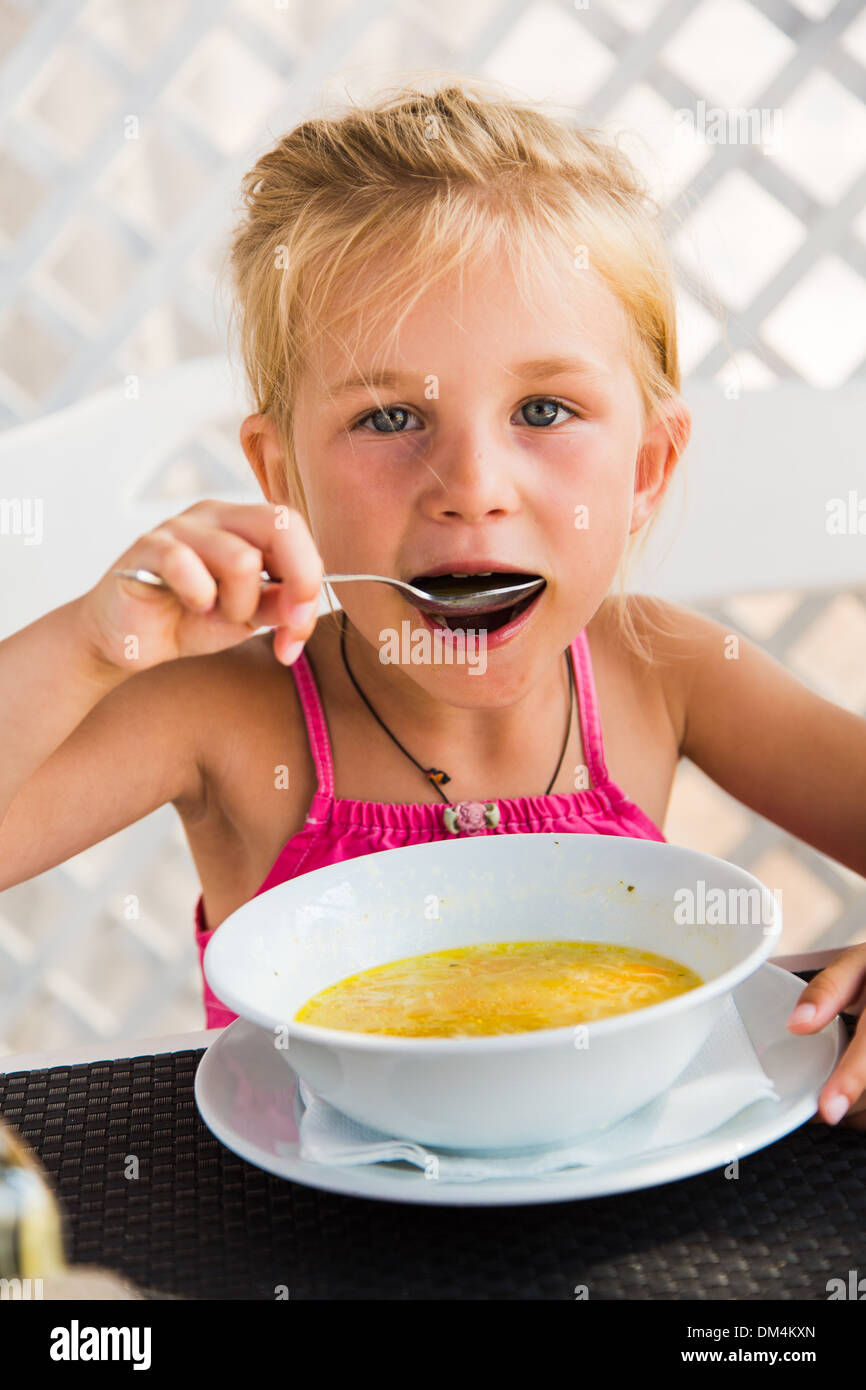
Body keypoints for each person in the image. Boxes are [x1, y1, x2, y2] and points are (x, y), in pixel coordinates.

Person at [1, 80, 863, 1128]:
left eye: (542, 410)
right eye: (389, 415)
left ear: (644, 468)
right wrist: (93, 645)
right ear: (283, 477)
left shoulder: (662, 672)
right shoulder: (226, 711)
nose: (469, 483)